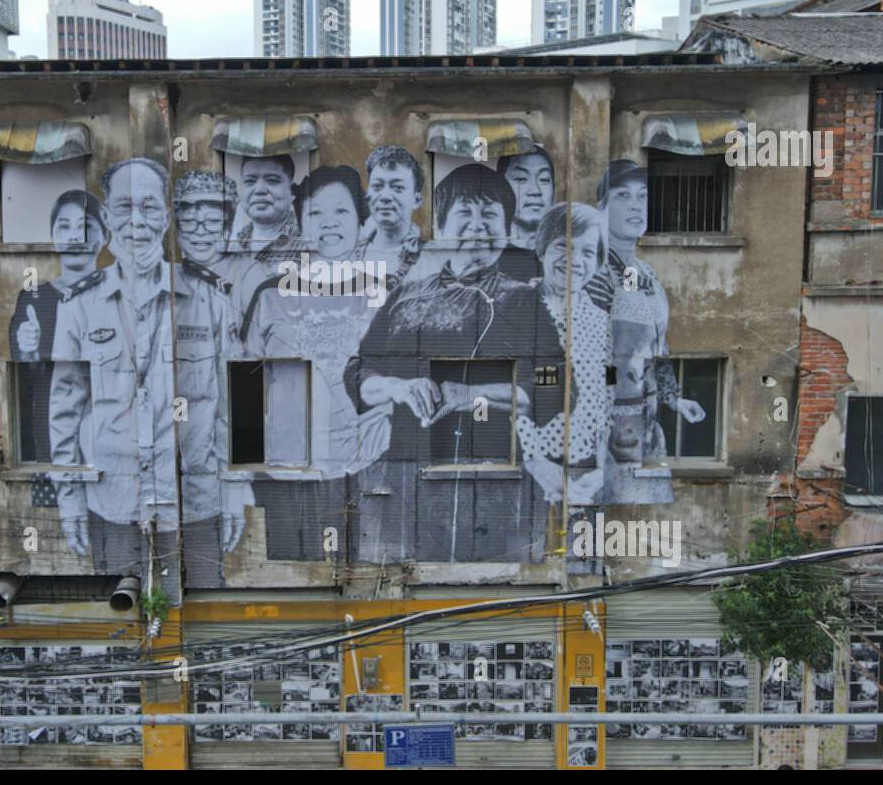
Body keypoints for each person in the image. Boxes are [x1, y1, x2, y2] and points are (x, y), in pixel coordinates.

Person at [345, 163, 558, 562]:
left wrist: (471, 394)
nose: (478, 226)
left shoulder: (525, 300)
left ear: (507, 229)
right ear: (440, 228)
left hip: (500, 483)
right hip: (407, 479)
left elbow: (553, 387)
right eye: (465, 214)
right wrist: (399, 388)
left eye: (490, 215)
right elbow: (357, 374)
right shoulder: (406, 298)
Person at [240, 166, 392, 560]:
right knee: (292, 585)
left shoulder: (384, 295)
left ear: (361, 222)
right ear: (301, 222)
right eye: (316, 214)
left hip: (367, 470)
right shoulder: (270, 296)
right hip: (288, 473)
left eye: (341, 212)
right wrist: (246, 475)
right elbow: (245, 389)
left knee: (369, 579)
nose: (329, 224)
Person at [50, 158, 179, 595]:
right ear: (106, 218)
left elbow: (230, 407)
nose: (136, 222)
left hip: (188, 504)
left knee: (189, 614)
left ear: (166, 216)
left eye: (149, 206)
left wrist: (236, 492)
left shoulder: (202, 297)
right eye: (123, 207)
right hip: (109, 503)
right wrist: (69, 501)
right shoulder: (78, 305)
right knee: (119, 621)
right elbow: (64, 411)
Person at [597, 160, 706, 505]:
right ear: (602, 206)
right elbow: (593, 353)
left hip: (647, 426)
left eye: (642, 197)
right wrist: (614, 402)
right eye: (623, 195)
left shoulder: (647, 274)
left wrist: (673, 398)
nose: (635, 205)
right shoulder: (596, 273)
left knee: (646, 528)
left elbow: (657, 346)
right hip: (614, 430)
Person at [170, 171, 252, 586]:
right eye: (190, 222)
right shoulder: (141, 292)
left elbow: (243, 399)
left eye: (212, 223)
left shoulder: (228, 299)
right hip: (129, 499)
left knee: (207, 592)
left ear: (228, 227)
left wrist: (235, 492)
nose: (200, 233)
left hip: (202, 498)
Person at [8, 190, 106, 509]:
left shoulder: (118, 296)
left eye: (86, 225)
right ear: (52, 235)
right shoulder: (35, 299)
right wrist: (27, 351)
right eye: (64, 226)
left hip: (108, 440)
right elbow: (25, 384)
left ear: (105, 235)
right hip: (51, 438)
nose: (76, 235)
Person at [515, 202, 611, 508]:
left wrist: (602, 470)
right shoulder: (513, 309)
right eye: (563, 247)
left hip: (585, 473)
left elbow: (609, 396)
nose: (574, 260)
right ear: (541, 248)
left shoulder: (601, 324)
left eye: (586, 252)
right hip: (524, 470)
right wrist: (534, 462)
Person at [354, 145, 423, 290]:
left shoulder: (430, 258)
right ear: (368, 196)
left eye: (397, 187)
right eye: (377, 186)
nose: (385, 197)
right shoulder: (347, 253)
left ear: (416, 200)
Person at [496, 147, 555, 281]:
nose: (535, 190)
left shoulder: (565, 259)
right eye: (521, 179)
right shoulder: (486, 259)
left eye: (544, 180)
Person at [235, 154, 303, 268]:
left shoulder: (306, 241)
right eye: (250, 181)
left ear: (292, 190)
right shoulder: (237, 241)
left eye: (272, 180)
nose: (259, 190)